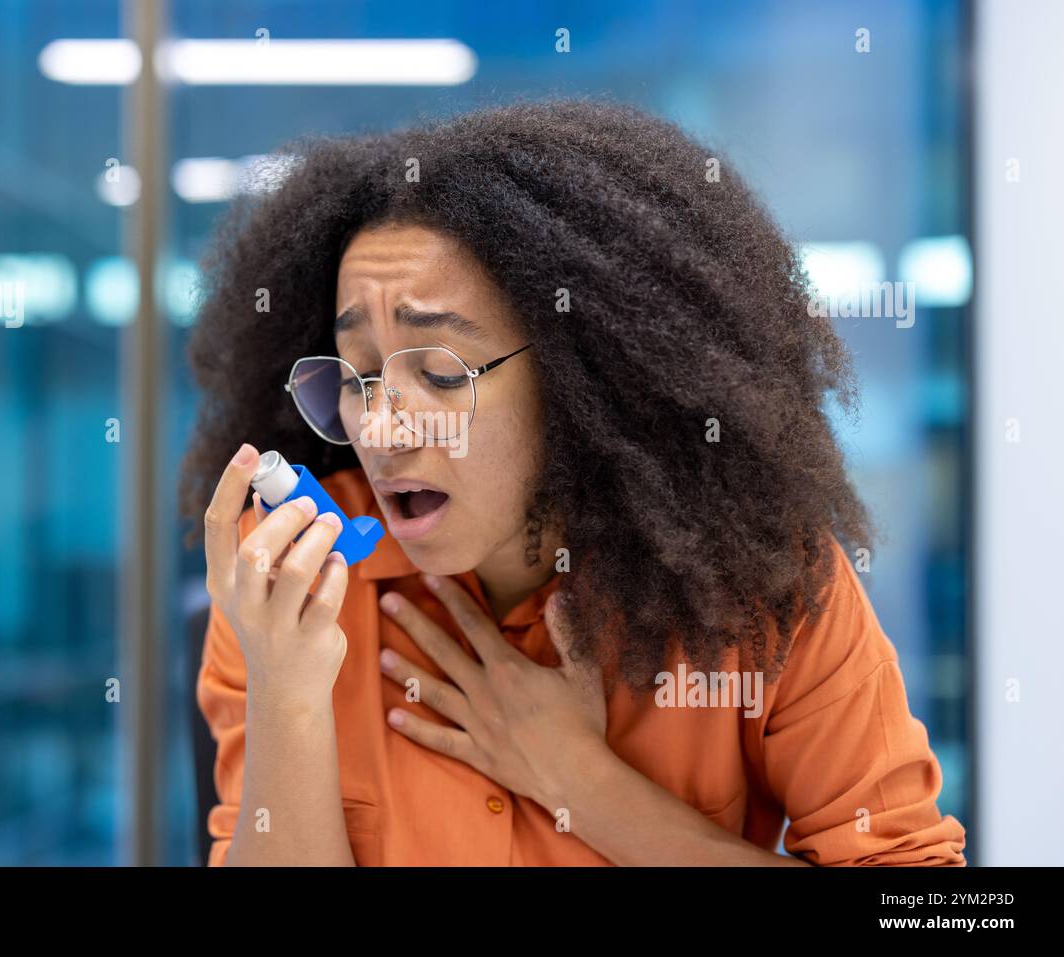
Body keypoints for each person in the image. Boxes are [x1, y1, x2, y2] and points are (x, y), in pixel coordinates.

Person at [180, 98, 967, 866]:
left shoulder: (763, 584)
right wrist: (286, 688)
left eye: (442, 374)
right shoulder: (286, 586)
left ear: (577, 378)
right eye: (358, 376)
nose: (380, 429)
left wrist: (588, 788)